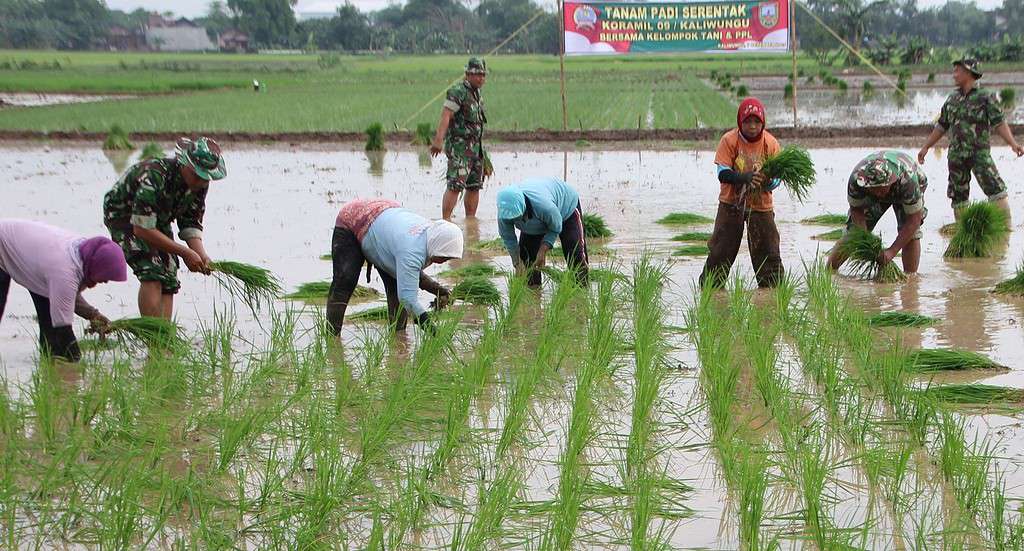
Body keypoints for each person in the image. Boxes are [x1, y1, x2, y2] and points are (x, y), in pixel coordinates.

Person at [102, 137, 226, 320]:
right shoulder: (155, 175)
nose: (201, 182)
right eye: (198, 176)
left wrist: (201, 256)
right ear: (186, 165)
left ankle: (165, 337)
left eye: (206, 178)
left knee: (168, 273)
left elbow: (190, 222)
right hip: (125, 217)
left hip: (158, 219)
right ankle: (154, 338)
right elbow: (142, 229)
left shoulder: (200, 184)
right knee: (152, 269)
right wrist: (185, 253)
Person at [327, 199, 462, 334]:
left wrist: (439, 291)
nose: (445, 260)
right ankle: (332, 336)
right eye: (444, 256)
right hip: (356, 218)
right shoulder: (411, 250)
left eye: (448, 258)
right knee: (345, 282)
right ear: (437, 245)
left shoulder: (432, 235)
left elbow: (408, 275)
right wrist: (435, 333)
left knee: (396, 285)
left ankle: (398, 339)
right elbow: (408, 299)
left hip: (387, 223)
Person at [0, 219, 127, 362]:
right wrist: (75, 360)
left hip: (34, 258)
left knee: (49, 327)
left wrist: (93, 315)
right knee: (59, 339)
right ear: (97, 266)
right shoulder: (64, 271)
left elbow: (65, 294)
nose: (105, 281)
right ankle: (57, 365)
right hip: (4, 242)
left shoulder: (83, 254)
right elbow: (62, 326)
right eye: (106, 277)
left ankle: (50, 364)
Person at [918, 58, 1024, 221]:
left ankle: (1005, 229)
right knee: (958, 196)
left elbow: (999, 123)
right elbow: (941, 125)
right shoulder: (952, 99)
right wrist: (926, 147)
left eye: (957, 71)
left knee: (995, 189)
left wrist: (1013, 144)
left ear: (969, 73)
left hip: (979, 154)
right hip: (956, 156)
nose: (954, 75)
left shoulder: (985, 97)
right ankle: (963, 232)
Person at [699, 97, 784, 289]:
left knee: (768, 252)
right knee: (721, 250)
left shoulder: (770, 143)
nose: (752, 126)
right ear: (740, 122)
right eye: (747, 121)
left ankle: (772, 293)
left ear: (763, 123)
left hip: (761, 205)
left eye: (756, 121)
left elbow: (778, 179)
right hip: (732, 204)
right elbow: (722, 173)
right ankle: (710, 290)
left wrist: (767, 182)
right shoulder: (729, 141)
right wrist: (744, 178)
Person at [828, 150, 928, 275]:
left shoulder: (908, 181)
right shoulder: (856, 180)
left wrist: (892, 251)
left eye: (882, 189)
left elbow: (914, 221)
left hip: (908, 186)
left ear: (890, 182)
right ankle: (829, 272)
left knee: (911, 234)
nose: (879, 193)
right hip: (872, 191)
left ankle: (910, 278)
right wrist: (864, 238)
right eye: (875, 189)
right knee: (853, 232)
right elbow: (856, 210)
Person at [496, 177, 588, 287]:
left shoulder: (545, 207)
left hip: (566, 208)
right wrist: (517, 263)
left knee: (574, 251)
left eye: (518, 216)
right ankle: (534, 297)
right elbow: (508, 238)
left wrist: (543, 249)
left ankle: (582, 291)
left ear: (523, 206)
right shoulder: (504, 212)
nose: (516, 221)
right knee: (528, 262)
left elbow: (556, 227)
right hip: (536, 221)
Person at [430, 57, 491, 220]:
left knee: (474, 186)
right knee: (455, 184)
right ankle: (445, 220)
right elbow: (446, 115)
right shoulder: (458, 92)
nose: (481, 78)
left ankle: (471, 221)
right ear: (467, 74)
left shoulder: (477, 93)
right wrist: (438, 140)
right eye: (477, 75)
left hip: (476, 149)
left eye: (483, 75)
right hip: (460, 149)